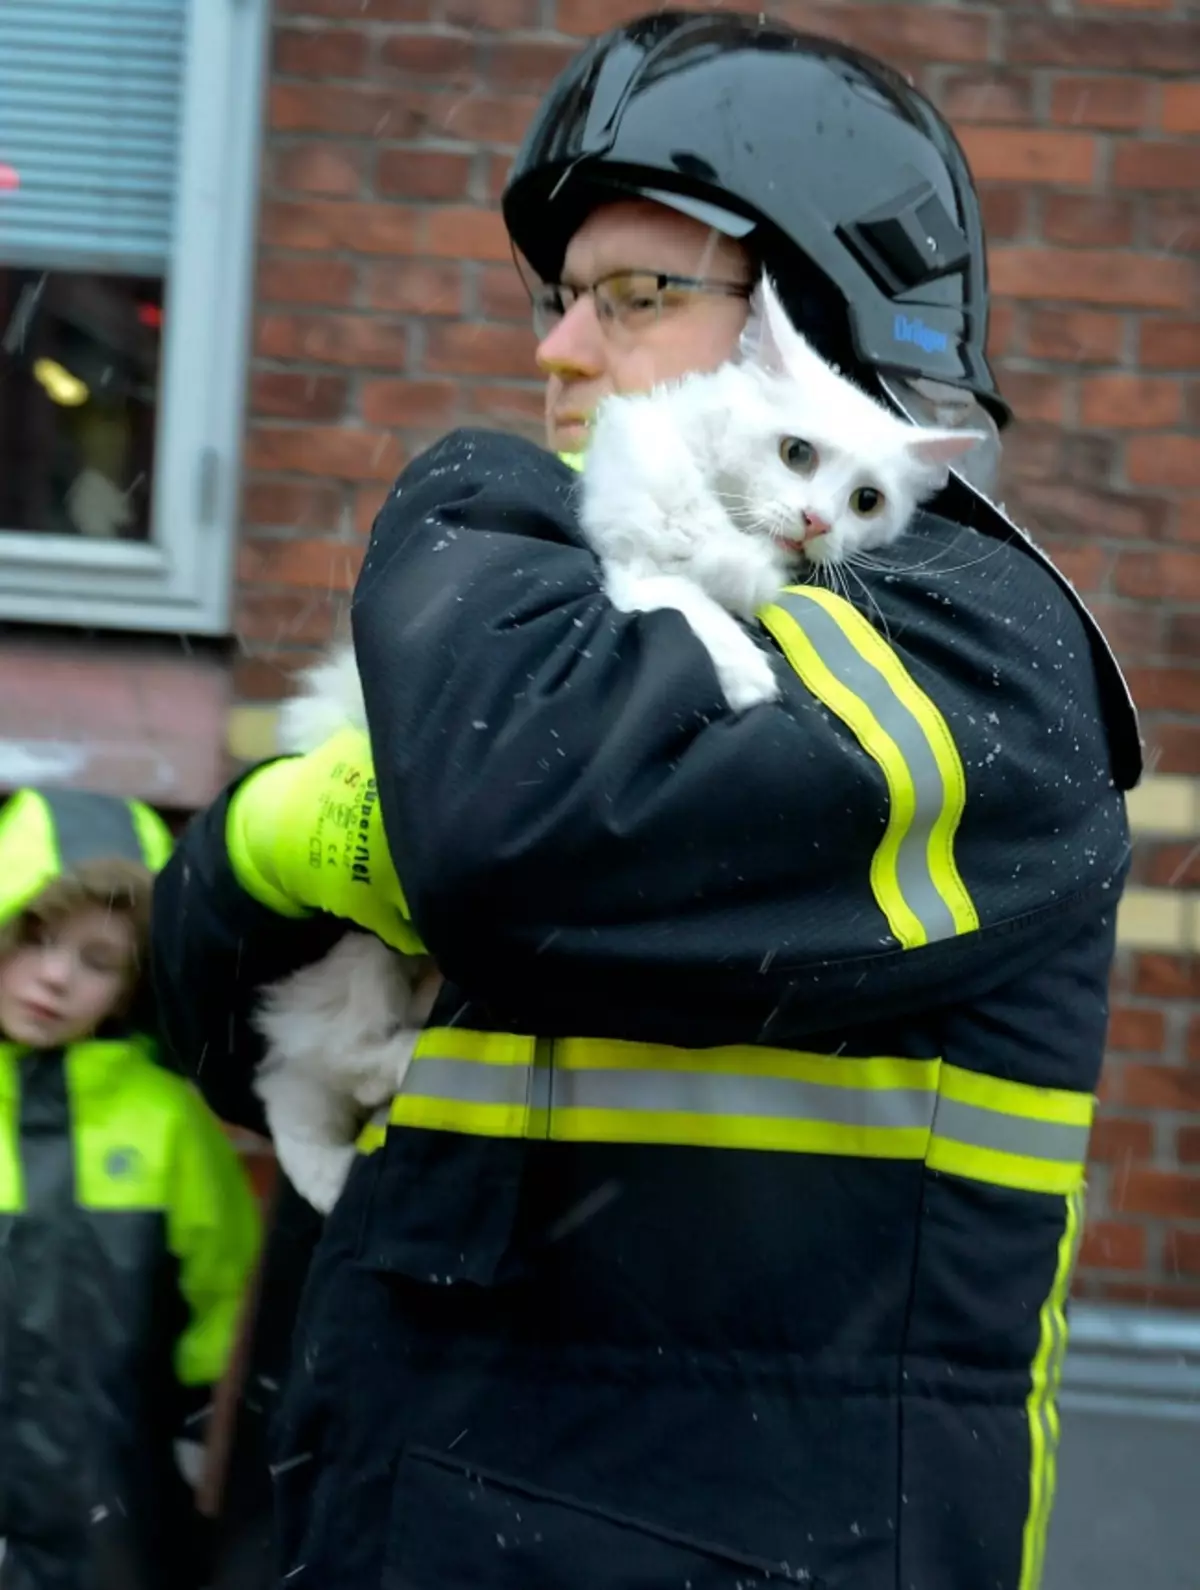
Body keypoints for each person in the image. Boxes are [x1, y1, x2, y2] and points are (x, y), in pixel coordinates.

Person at [152, 14, 1141, 1590]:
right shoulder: (582, 617)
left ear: (815, 321)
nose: (556, 351)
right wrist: (264, 840)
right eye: (557, 301)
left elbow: (512, 831)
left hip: (721, 1537)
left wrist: (464, 503)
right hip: (420, 1511)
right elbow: (201, 1008)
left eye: (635, 296)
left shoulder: (972, 643)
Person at [0, 785, 262, 1590]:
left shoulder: (167, 1124)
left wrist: (201, 1428)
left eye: (98, 959)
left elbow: (227, 1297)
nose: (54, 978)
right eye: (34, 935)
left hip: (109, 1509)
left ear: (132, 984)